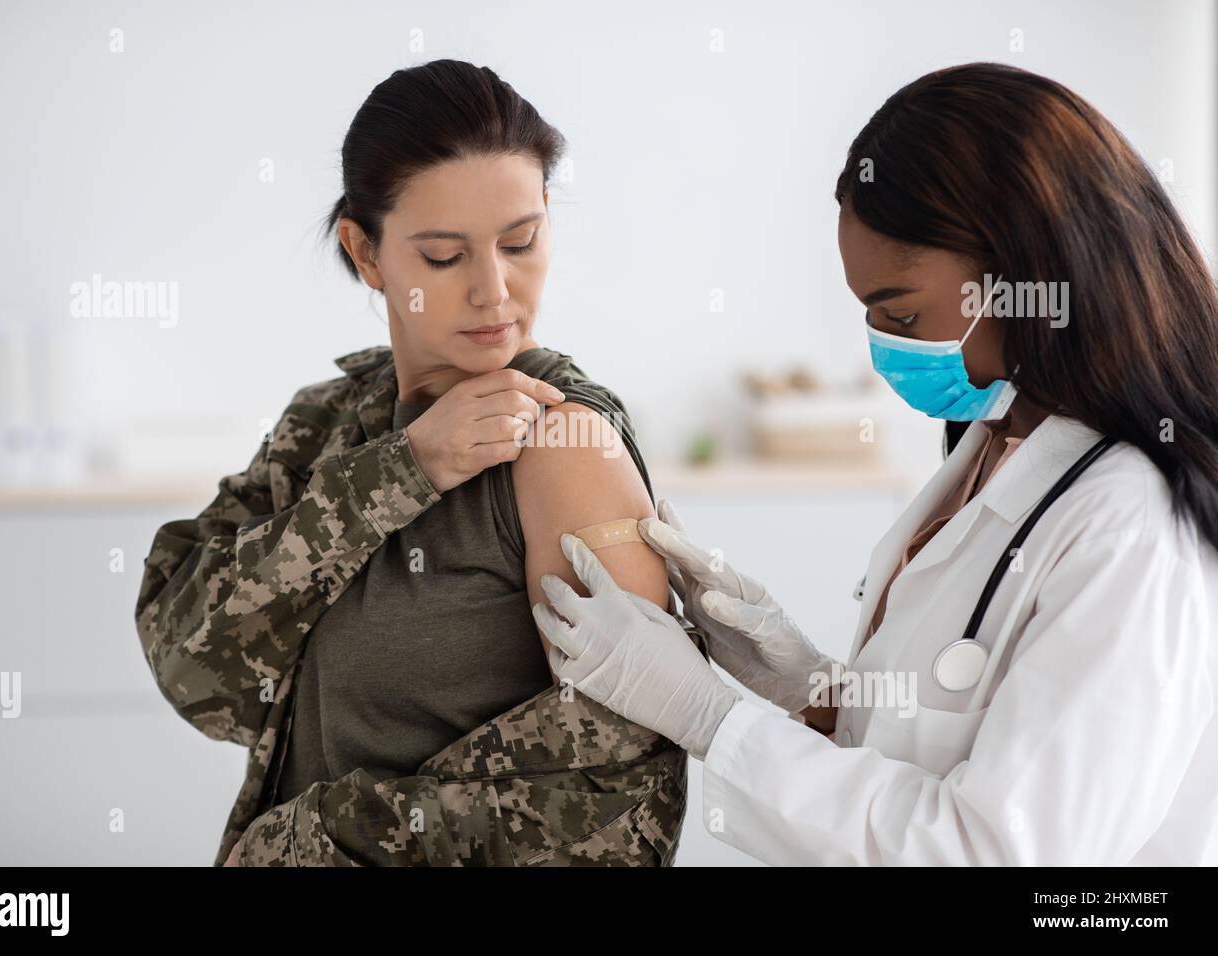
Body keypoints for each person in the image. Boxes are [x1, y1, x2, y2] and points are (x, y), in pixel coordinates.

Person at [536, 62, 1218, 865]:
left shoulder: (1130, 525)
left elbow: (994, 853)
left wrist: (709, 716)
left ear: (1027, 272)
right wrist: (814, 689)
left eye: (900, 312)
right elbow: (944, 730)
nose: (887, 345)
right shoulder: (994, 439)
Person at [135, 60, 690, 866]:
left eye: (521, 242)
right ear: (365, 253)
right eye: (442, 256)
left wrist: (296, 849)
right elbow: (189, 666)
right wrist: (397, 475)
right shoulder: (324, 424)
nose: (494, 292)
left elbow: (618, 803)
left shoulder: (565, 444)